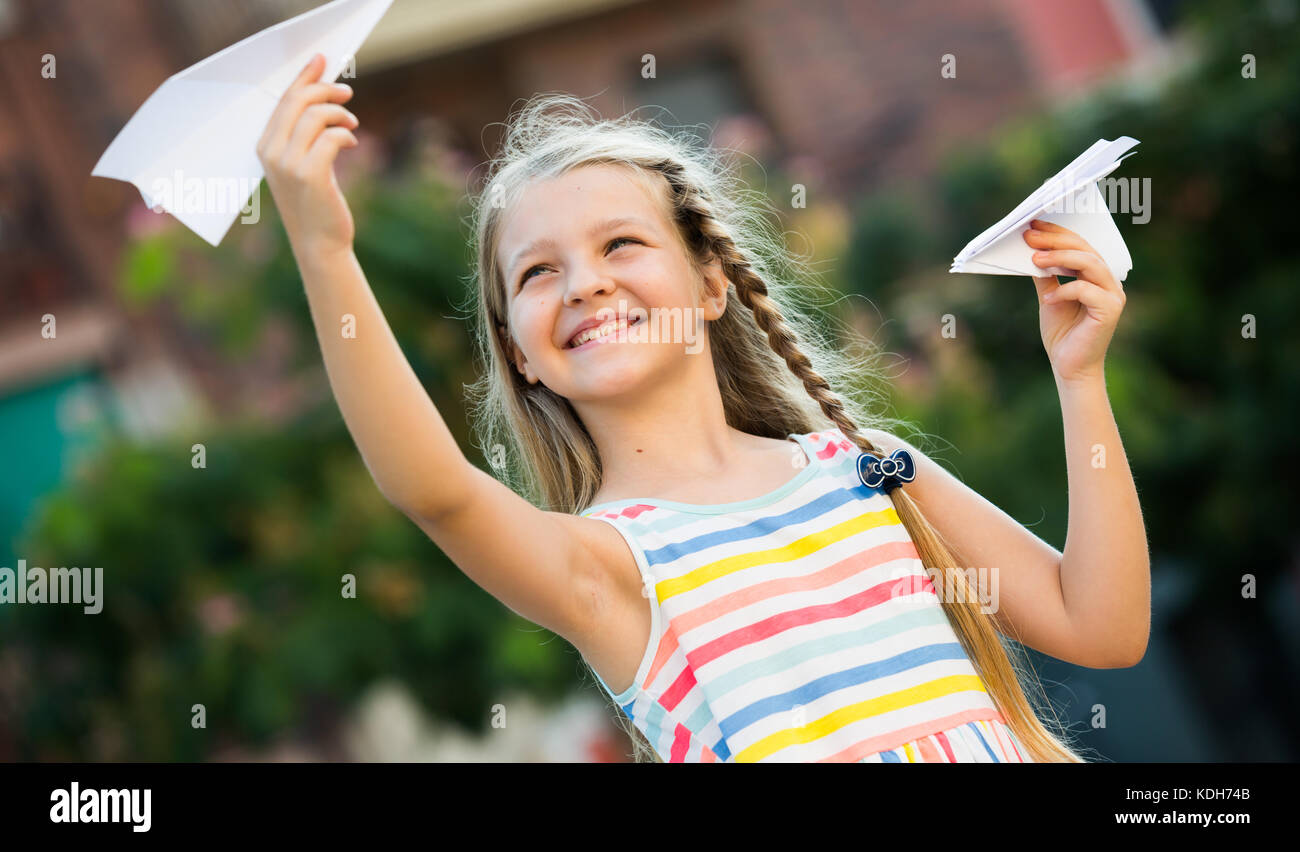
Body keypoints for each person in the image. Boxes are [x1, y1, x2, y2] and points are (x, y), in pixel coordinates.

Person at [257, 53, 1150, 763]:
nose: (587, 282)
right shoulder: (610, 568)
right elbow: (434, 490)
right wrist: (324, 246)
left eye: (621, 243)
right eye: (537, 272)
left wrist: (1078, 381)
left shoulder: (869, 469)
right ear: (519, 353)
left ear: (712, 282)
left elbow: (1101, 626)